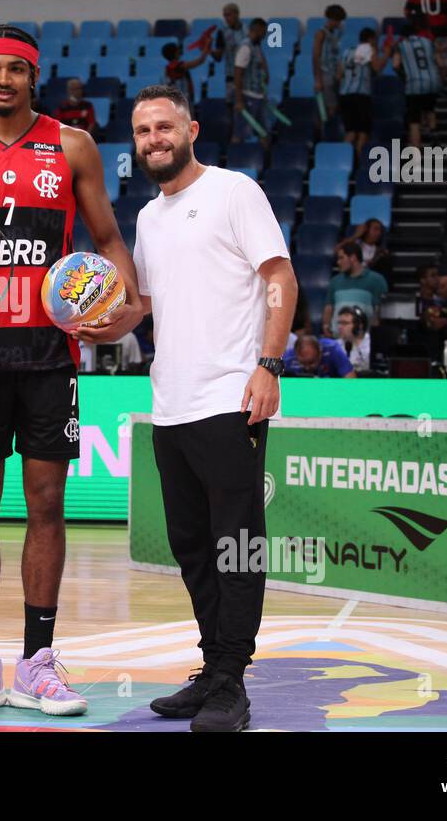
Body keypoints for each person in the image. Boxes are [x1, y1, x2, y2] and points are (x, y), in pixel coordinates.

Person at [0, 24, 143, 717]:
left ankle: (38, 660)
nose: (5, 79)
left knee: (47, 504)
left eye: (18, 69)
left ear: (33, 77)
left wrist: (128, 310)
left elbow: (106, 239)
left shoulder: (71, 146)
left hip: (50, 355)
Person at [130, 84, 296, 731]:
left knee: (238, 547)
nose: (154, 139)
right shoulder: (148, 218)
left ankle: (232, 678)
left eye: (164, 127)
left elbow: (280, 278)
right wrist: (91, 321)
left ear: (191, 128)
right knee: (193, 547)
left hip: (231, 401)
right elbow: (141, 306)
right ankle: (212, 666)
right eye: (143, 131)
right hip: (169, 408)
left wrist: (269, 364)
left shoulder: (233, 191)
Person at [393, 13, 445, 147]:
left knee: (414, 119)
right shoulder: (428, 42)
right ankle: (434, 133)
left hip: (414, 84)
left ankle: (416, 149)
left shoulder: (401, 45)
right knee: (430, 108)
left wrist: (403, 75)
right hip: (432, 81)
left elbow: (395, 65)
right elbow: (440, 63)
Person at [337, 27, 386, 156]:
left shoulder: (347, 52)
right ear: (370, 39)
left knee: (350, 132)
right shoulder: (369, 49)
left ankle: (343, 160)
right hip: (361, 95)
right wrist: (386, 53)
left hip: (345, 94)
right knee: (363, 132)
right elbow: (378, 68)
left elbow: (339, 74)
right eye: (375, 40)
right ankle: (359, 163)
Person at [323, 240, 388, 334]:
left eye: (341, 258)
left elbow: (379, 311)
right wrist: (326, 326)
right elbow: (329, 307)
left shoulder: (376, 280)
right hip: (338, 338)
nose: (338, 262)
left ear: (353, 258)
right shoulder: (335, 281)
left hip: (364, 339)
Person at [233, 17, 270, 144]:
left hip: (259, 96)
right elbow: (238, 74)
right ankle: (235, 160)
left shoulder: (256, 46)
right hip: (248, 97)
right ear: (258, 30)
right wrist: (239, 100)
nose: (265, 35)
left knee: (263, 131)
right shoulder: (245, 48)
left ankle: (265, 160)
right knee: (240, 134)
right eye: (264, 32)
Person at [312, 4, 346, 133]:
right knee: (326, 108)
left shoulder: (335, 34)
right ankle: (323, 134)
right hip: (324, 75)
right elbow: (315, 57)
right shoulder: (321, 34)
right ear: (331, 19)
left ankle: (328, 132)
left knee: (333, 106)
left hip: (333, 75)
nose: (339, 24)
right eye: (338, 21)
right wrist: (318, 79)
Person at [211, 2, 248, 103]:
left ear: (237, 14)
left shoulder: (247, 31)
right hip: (231, 75)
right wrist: (209, 49)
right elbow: (218, 57)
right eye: (224, 16)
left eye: (229, 15)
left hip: (247, 75)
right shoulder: (222, 32)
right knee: (231, 104)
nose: (226, 18)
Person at [339, 217, 393, 281]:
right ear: (366, 230)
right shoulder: (353, 245)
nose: (379, 233)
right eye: (376, 229)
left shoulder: (381, 252)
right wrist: (356, 235)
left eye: (380, 230)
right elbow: (337, 250)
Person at [283, 333, 355, 378]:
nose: (308, 368)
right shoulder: (287, 359)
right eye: (303, 363)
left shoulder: (333, 349)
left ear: (320, 352)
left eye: (311, 362)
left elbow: (351, 381)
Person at [162, 40, 209, 105]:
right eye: (178, 50)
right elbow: (200, 60)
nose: (180, 52)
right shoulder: (178, 66)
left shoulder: (168, 67)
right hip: (181, 100)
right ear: (175, 53)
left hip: (176, 99)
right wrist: (207, 45)